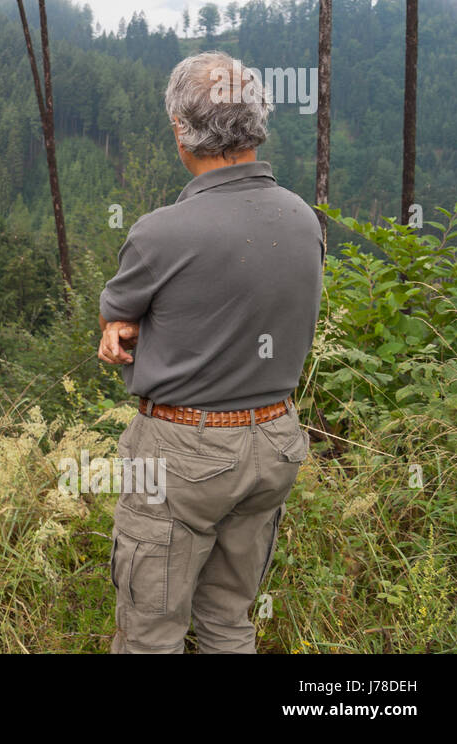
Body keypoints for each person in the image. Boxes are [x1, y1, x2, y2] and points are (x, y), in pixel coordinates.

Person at [97, 52, 323, 653]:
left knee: (152, 633)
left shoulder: (160, 232)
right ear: (256, 123)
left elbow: (120, 312)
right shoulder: (304, 220)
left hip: (183, 454)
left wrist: (122, 329)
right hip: (275, 441)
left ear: (180, 130)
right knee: (229, 621)